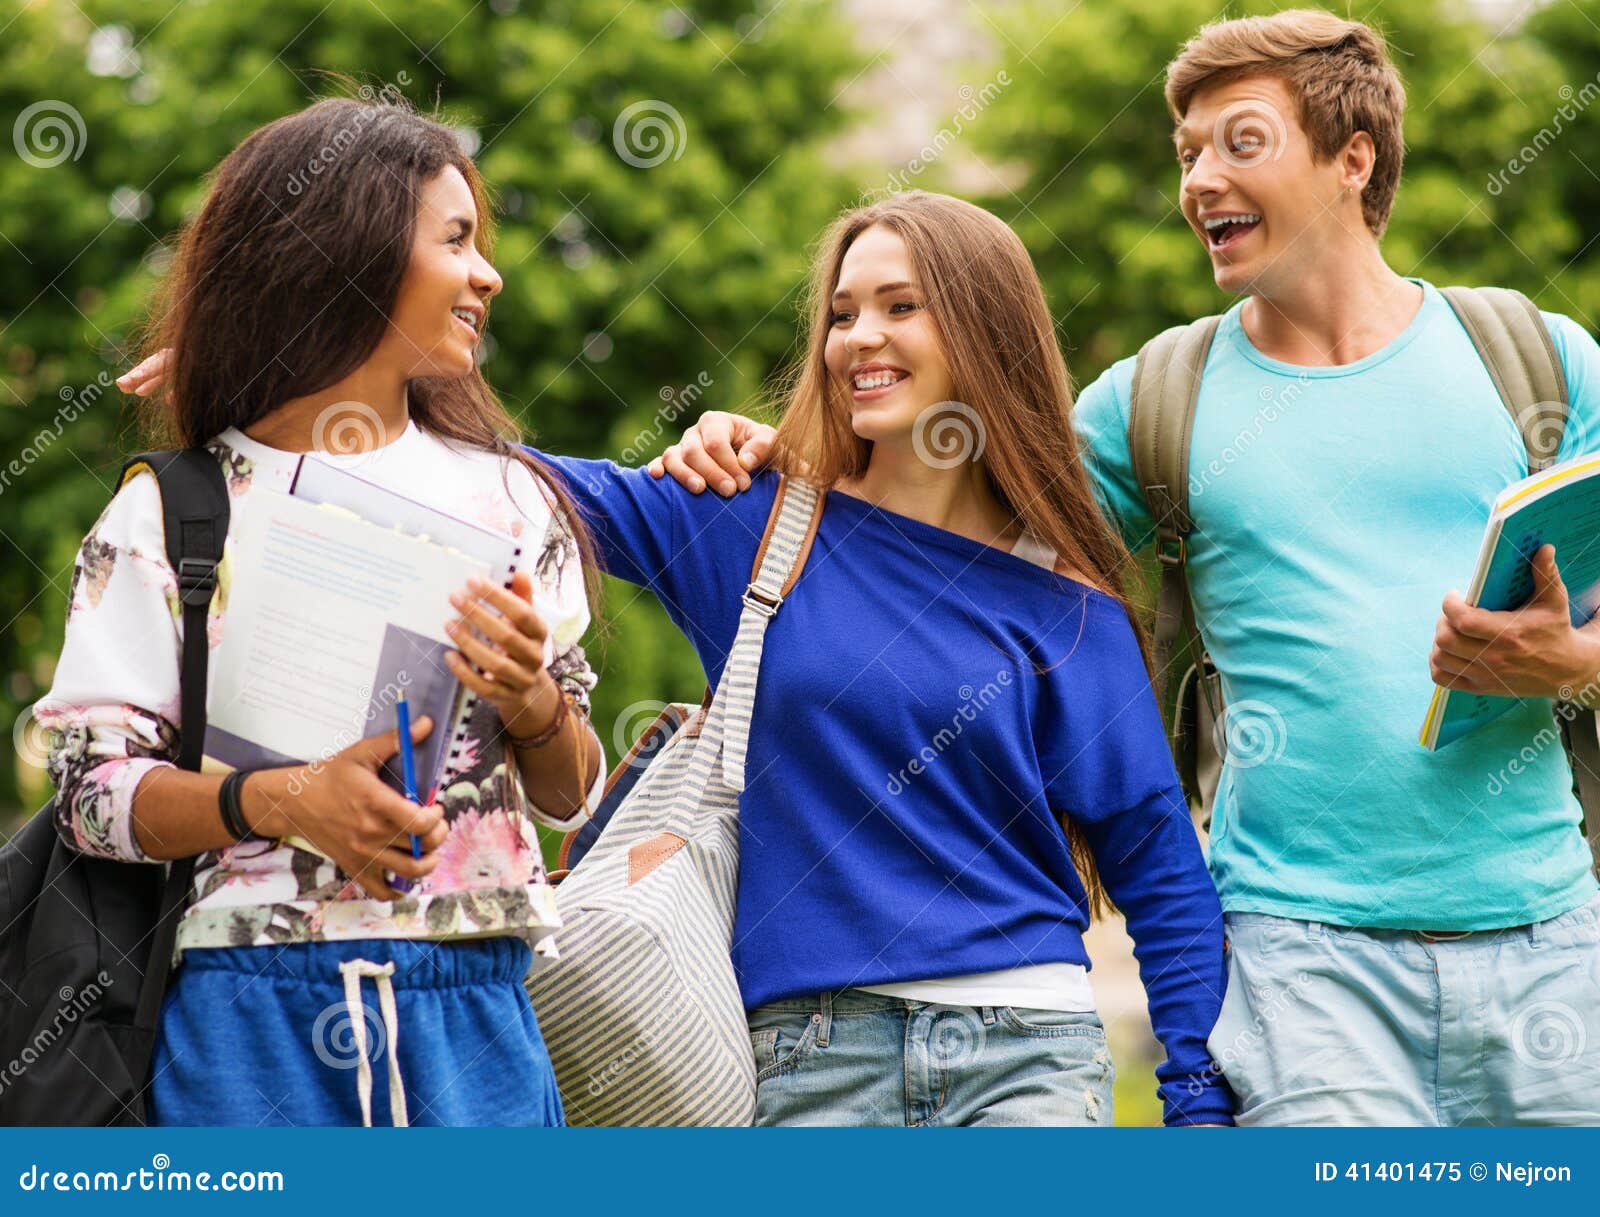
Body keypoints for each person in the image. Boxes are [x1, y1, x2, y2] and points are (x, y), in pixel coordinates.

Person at [647, 11, 1600, 1126]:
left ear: (1353, 158)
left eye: (1238, 141)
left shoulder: (1535, 356)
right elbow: (925, 533)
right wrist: (773, 463)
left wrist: (1574, 660)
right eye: (1186, 150)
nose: (1198, 178)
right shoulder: (1150, 406)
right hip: (1299, 958)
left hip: (1549, 933)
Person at [537, 191, 1231, 1126]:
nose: (859, 335)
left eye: (901, 306)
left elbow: (1160, 869)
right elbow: (515, 487)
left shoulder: (1067, 603)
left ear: (986, 328)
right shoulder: (750, 525)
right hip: (812, 1061)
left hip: (1029, 1056)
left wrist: (1195, 1103)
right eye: (841, 313)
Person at [43, 96, 603, 1127]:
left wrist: (529, 696)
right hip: (248, 1015)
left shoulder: (514, 500)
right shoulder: (172, 509)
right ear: (348, 251)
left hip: (473, 1006)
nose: (490, 274)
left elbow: (570, 791)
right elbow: (89, 794)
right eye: (458, 240)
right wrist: (285, 798)